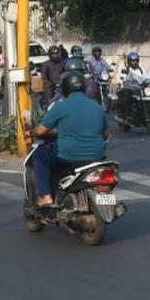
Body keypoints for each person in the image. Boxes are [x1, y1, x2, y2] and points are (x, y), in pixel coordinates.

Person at [30, 70, 110, 207]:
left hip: (68, 154)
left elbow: (41, 131)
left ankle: (46, 196)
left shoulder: (61, 106)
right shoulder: (97, 106)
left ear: (65, 88)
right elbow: (106, 135)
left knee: (39, 156)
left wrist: (33, 132)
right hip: (97, 156)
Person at [118, 51, 150, 121]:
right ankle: (127, 114)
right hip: (129, 87)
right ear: (129, 62)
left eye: (136, 61)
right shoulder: (127, 69)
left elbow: (147, 77)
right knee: (126, 94)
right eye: (133, 61)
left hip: (139, 88)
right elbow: (122, 77)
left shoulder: (141, 70)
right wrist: (123, 79)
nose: (135, 63)